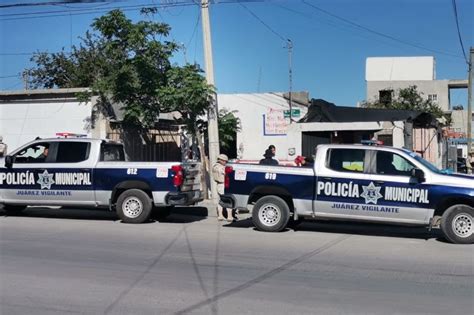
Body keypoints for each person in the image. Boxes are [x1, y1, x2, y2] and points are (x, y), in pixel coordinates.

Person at [212, 154, 233, 222]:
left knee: (221, 201)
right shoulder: (221, 167)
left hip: (219, 185)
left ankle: (220, 215)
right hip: (223, 184)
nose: (225, 162)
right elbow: (226, 174)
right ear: (221, 160)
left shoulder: (215, 166)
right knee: (229, 200)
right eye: (225, 161)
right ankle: (229, 216)